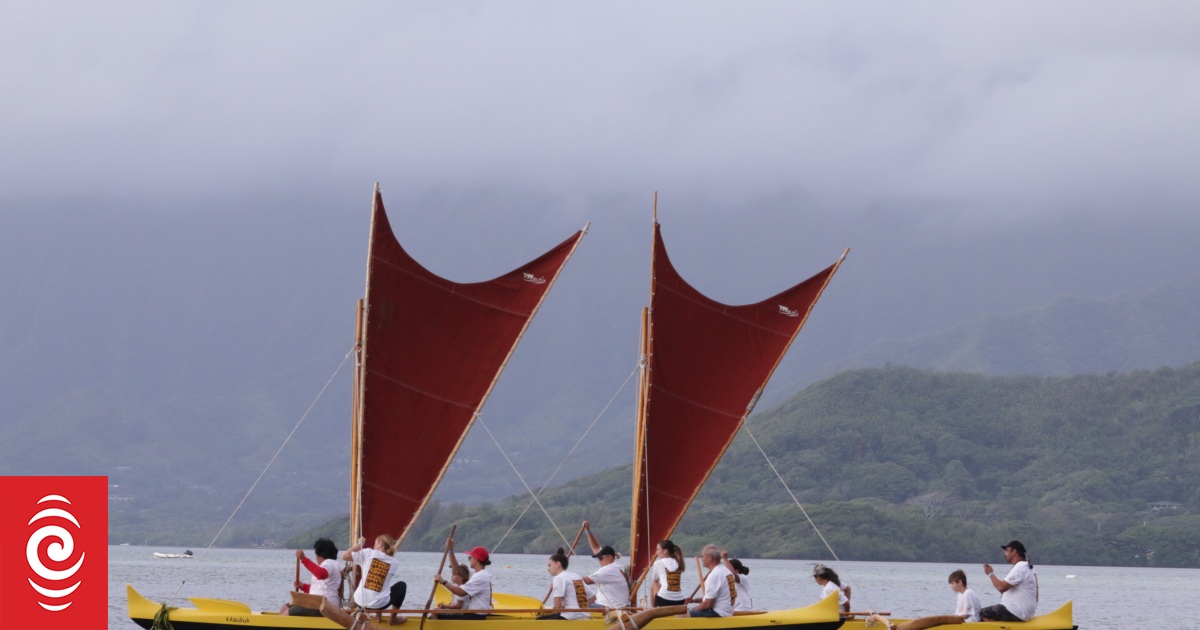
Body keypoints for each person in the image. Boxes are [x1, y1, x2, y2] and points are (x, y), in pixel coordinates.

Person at [280, 538, 341, 616]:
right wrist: (303, 586)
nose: (316, 558)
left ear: (320, 554)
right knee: (284, 608)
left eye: (316, 555)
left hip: (325, 606)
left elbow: (321, 574)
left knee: (291, 611)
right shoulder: (326, 566)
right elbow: (318, 588)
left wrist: (303, 559)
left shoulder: (330, 563)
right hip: (316, 602)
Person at [980, 540, 1038, 622]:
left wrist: (990, 574)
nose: (1005, 554)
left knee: (977, 613)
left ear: (1014, 551)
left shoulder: (1020, 567)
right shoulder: (1028, 568)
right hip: (1025, 613)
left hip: (1015, 611)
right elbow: (1036, 595)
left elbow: (1001, 587)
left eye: (1007, 550)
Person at [344, 534, 401, 616]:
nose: (373, 546)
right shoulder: (395, 562)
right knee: (401, 586)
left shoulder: (368, 553)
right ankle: (393, 618)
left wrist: (360, 544)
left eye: (375, 543)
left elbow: (345, 556)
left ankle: (372, 613)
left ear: (380, 544)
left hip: (359, 601)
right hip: (378, 605)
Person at [435, 540, 493, 620]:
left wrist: (443, 582)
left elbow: (460, 592)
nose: (469, 560)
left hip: (476, 615)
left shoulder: (480, 576)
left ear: (475, 559)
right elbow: (457, 569)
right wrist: (450, 550)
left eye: (470, 558)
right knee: (437, 612)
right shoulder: (477, 573)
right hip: (473, 613)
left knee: (435, 614)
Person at [581, 521, 631, 609]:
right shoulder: (615, 566)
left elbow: (586, 581)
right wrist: (588, 531)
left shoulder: (609, 570)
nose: (599, 561)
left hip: (611, 607)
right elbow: (596, 548)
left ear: (609, 557)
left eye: (600, 558)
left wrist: (568, 578)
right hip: (612, 605)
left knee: (577, 605)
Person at [539, 547, 593, 620]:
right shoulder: (575, 576)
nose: (548, 569)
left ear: (557, 564)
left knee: (539, 620)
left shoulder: (559, 578)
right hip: (584, 615)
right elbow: (593, 597)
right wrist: (580, 608)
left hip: (570, 616)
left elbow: (557, 607)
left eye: (549, 565)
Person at [683, 544, 734, 618]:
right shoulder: (727, 571)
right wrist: (694, 600)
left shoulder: (715, 575)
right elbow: (715, 599)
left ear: (710, 558)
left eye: (703, 556)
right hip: (727, 612)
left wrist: (691, 609)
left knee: (681, 615)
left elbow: (708, 604)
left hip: (717, 613)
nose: (701, 559)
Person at [649, 539, 686, 607]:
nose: (656, 552)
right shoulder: (678, 562)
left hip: (664, 599)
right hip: (680, 600)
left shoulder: (658, 563)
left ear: (665, 551)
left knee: (654, 583)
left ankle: (654, 609)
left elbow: (655, 580)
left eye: (658, 549)